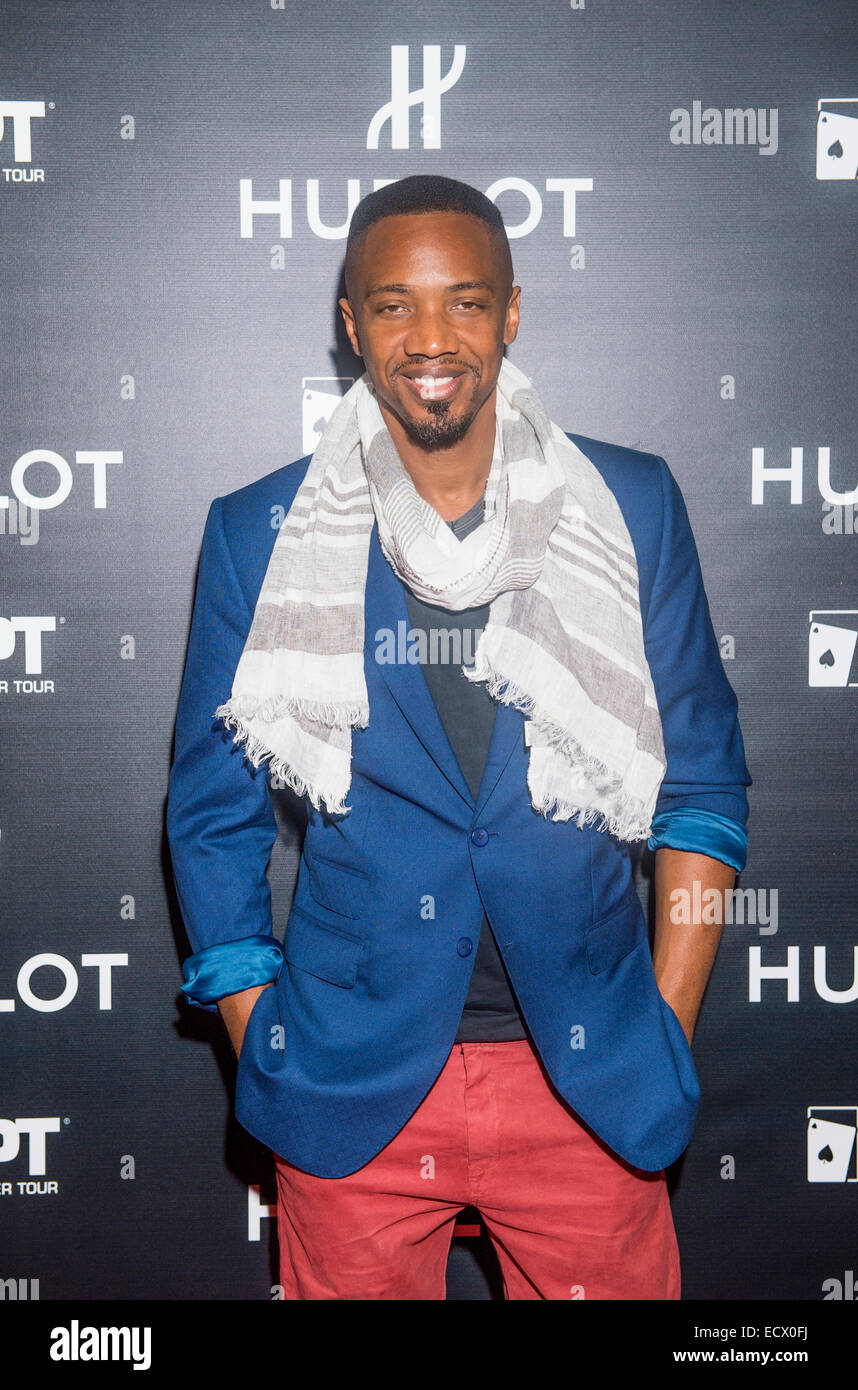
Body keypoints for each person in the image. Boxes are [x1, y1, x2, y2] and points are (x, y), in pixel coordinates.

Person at [166, 174, 750, 1301]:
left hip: (589, 1078)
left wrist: (663, 1026)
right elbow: (211, 815)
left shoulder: (628, 505)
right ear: (352, 325)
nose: (431, 339)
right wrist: (263, 1031)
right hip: (351, 1080)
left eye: (464, 303)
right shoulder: (261, 532)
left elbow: (704, 791)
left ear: (513, 314)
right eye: (393, 306)